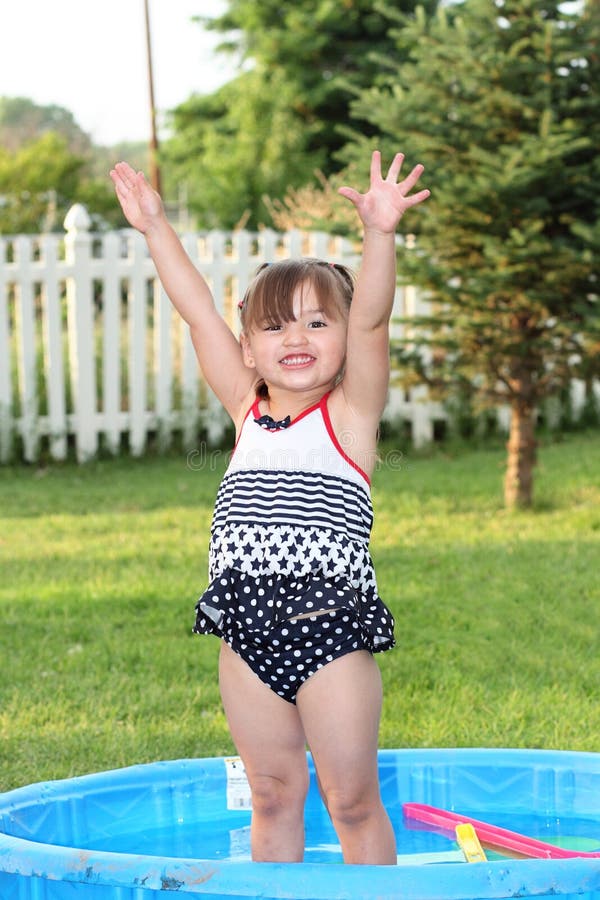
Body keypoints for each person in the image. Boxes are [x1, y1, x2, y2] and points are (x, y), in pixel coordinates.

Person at [110, 151, 429, 865]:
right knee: (274, 793)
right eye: (276, 326)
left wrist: (380, 234)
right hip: (245, 624)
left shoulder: (350, 417)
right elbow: (196, 311)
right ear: (248, 347)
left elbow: (374, 320)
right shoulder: (245, 412)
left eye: (318, 324)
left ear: (343, 343)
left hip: (329, 627)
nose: (296, 339)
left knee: (349, 800)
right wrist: (157, 227)